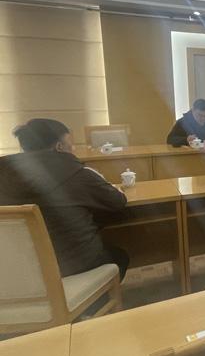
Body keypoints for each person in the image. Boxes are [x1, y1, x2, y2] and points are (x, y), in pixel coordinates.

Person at [0, 118, 129, 278]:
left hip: (20, 269)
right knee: (120, 256)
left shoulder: (4, 175)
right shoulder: (78, 174)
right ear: (59, 147)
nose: (73, 149)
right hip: (74, 265)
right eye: (70, 144)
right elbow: (117, 202)